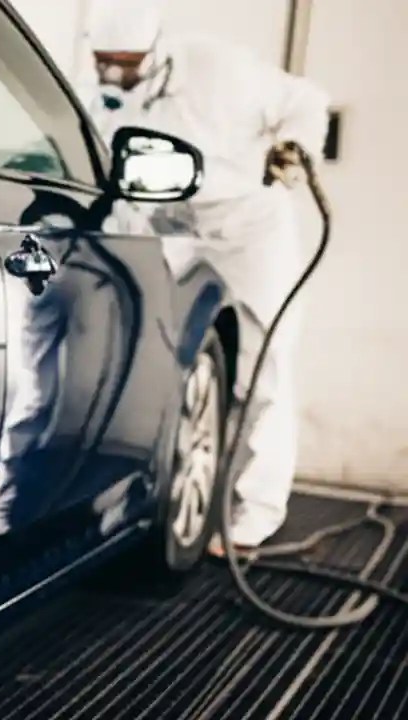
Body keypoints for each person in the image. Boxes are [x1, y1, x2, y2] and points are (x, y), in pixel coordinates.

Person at [80, 0, 331, 554]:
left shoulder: (221, 69)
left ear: (154, 50)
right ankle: (168, 488)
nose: (111, 74)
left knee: (261, 367)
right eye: (104, 62)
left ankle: (256, 512)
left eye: (123, 63)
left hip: (248, 229)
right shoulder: (101, 91)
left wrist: (294, 148)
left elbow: (307, 101)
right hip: (171, 226)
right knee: (169, 356)